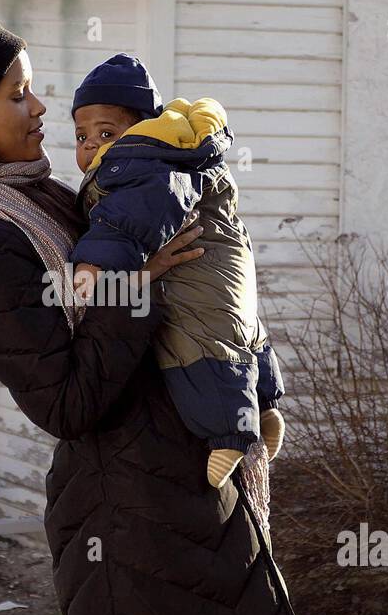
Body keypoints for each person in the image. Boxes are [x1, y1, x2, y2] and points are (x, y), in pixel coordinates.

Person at [0, 21, 308, 615]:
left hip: (192, 484)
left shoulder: (51, 196)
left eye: (33, 89)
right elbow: (67, 402)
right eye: (17, 95)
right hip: (129, 522)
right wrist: (135, 286)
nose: (40, 108)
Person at [67, 53, 287, 492]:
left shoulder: (142, 167)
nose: (91, 144)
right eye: (81, 135)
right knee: (243, 333)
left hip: (197, 273)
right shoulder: (172, 157)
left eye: (106, 132)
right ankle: (263, 407)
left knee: (194, 344)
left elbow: (127, 223)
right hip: (224, 271)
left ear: (144, 128)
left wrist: (93, 266)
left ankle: (229, 436)